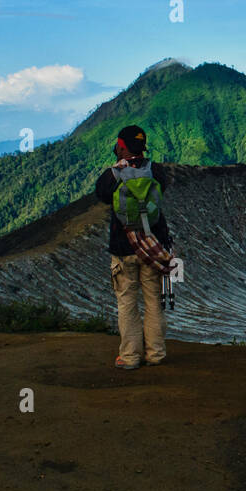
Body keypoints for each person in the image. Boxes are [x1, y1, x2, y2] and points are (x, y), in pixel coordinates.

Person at [94, 125, 174, 370]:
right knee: (153, 302)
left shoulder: (112, 175)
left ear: (121, 146)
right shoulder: (155, 171)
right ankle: (156, 354)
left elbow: (102, 196)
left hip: (123, 247)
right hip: (153, 245)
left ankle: (129, 357)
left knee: (127, 303)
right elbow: (162, 192)